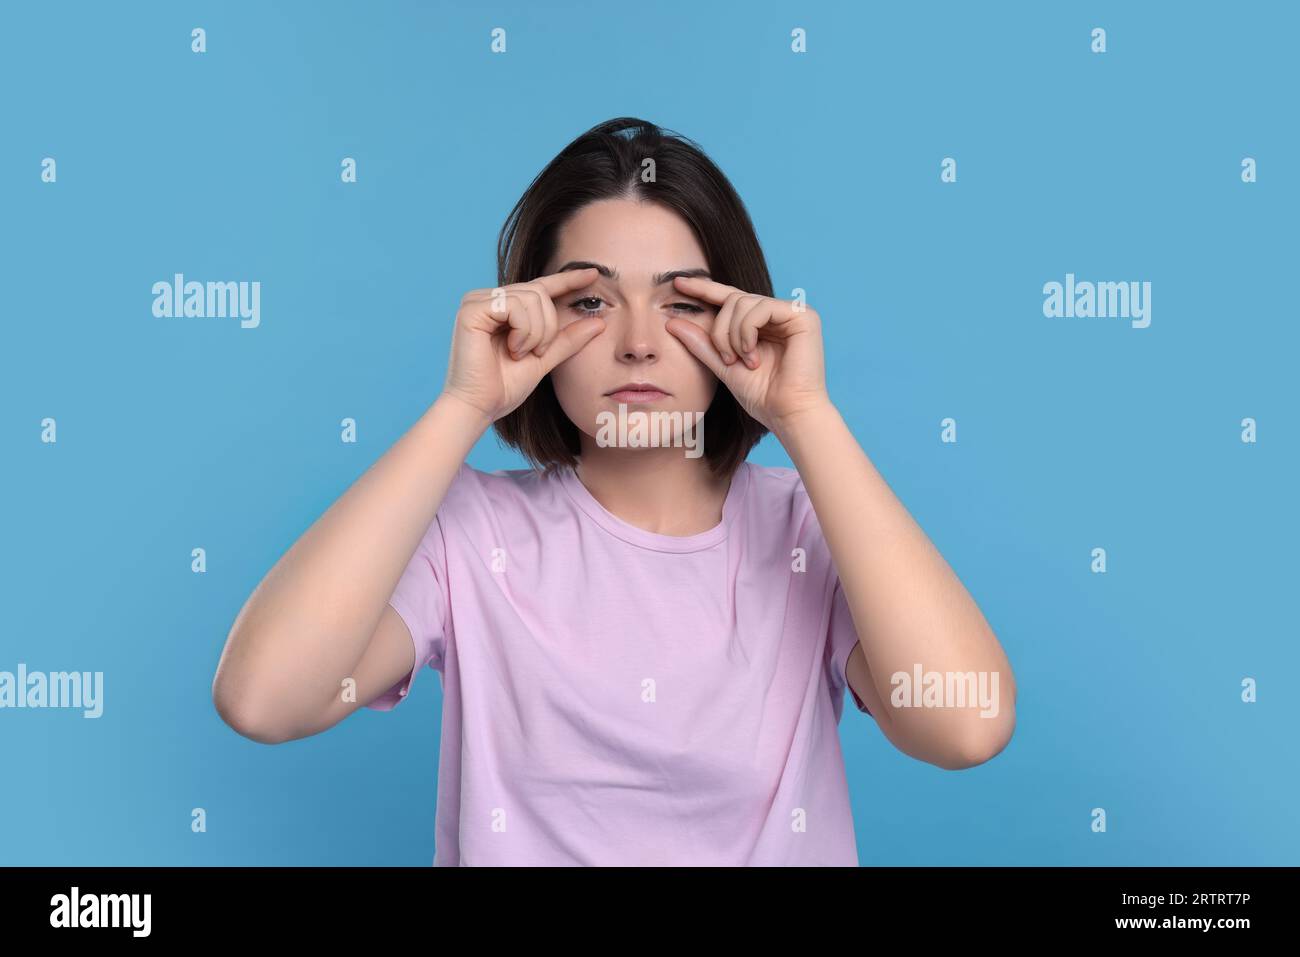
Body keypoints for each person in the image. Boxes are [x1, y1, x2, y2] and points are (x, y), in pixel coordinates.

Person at [212, 117, 1017, 866]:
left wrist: (807, 416)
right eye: (592, 302)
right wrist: (461, 407)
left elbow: (966, 727)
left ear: (741, 312)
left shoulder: (807, 531)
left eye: (680, 303)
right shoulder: (468, 530)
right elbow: (262, 700)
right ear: (531, 319)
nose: (637, 343)